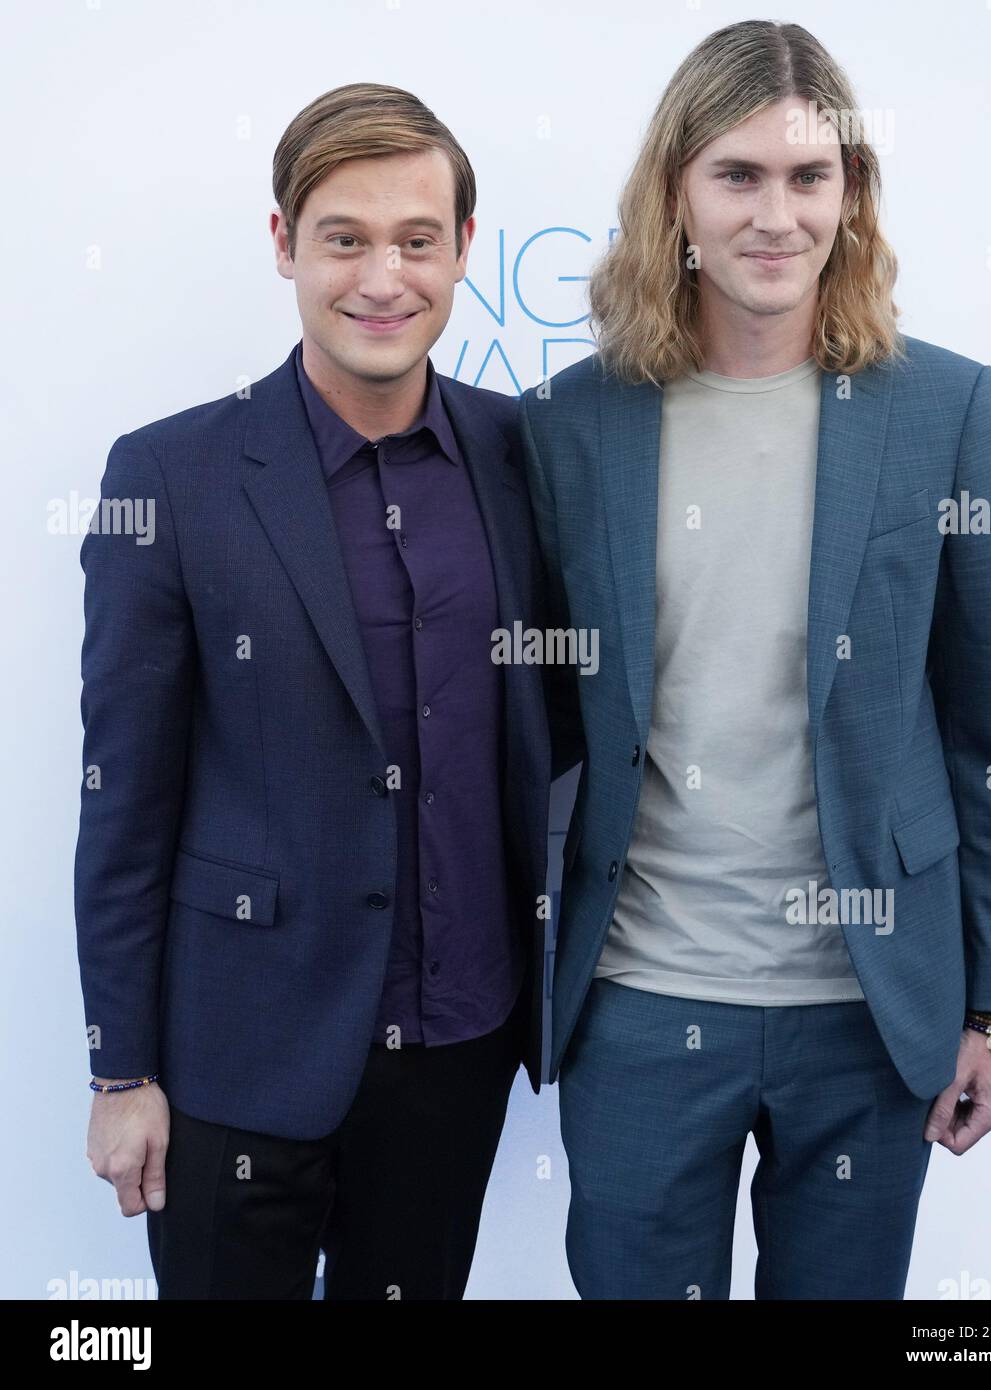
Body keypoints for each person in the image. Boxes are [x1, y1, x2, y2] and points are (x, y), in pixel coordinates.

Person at [520, 20, 991, 1299]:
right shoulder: (568, 426)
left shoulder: (942, 409)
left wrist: (990, 1010)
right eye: (736, 175)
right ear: (675, 194)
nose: (775, 214)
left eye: (810, 178)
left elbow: (983, 737)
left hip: (869, 1012)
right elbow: (535, 733)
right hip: (638, 1002)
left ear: (850, 197)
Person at [75, 82, 564, 1300]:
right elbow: (123, 799)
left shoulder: (526, 455)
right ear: (286, 244)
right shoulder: (172, 474)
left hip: (459, 1043)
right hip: (236, 1052)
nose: (382, 277)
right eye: (344, 238)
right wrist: (118, 1070)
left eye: (416, 239)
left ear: (463, 250)